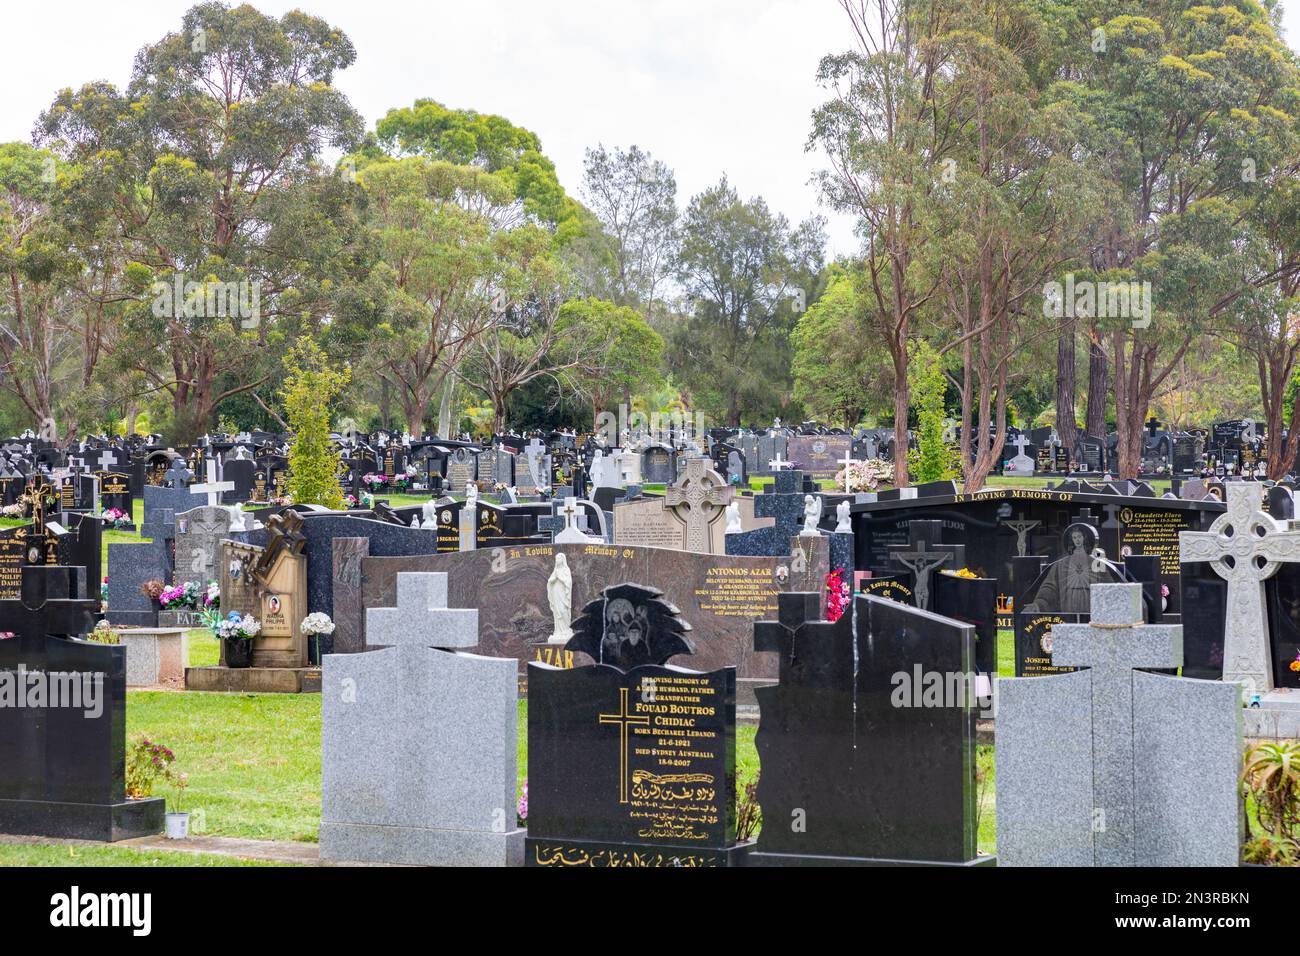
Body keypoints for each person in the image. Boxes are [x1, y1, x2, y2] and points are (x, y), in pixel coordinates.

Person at [1023, 523, 1115, 614]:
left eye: (1079, 536)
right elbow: (1050, 587)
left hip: (1090, 604)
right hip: (1069, 605)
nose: (1077, 540)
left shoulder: (1096, 562)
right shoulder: (1061, 564)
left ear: (1084, 537)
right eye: (1074, 537)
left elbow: (1107, 584)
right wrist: (1038, 604)